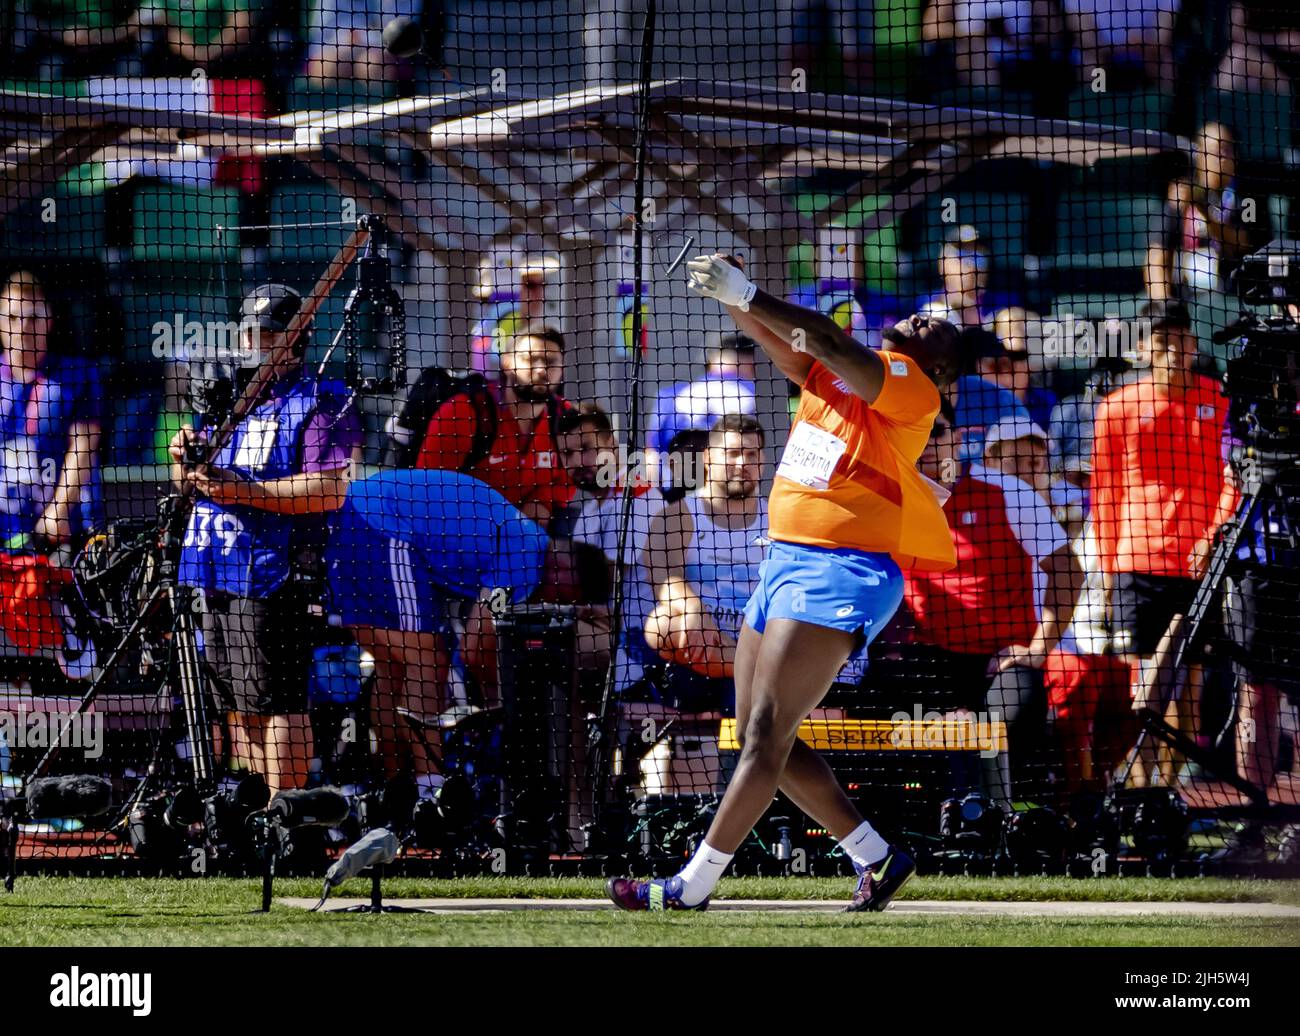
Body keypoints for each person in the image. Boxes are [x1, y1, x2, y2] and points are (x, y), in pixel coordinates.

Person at [609, 254, 961, 913]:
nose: (922, 317)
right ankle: (877, 857)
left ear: (942, 366)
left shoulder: (912, 387)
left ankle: (690, 887)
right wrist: (734, 303)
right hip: (786, 564)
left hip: (841, 572)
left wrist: (750, 289)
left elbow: (824, 337)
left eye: (935, 326)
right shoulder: (839, 379)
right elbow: (799, 350)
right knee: (756, 732)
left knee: (767, 732)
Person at [171, 284, 362, 797]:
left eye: (267, 334)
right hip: (213, 565)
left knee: (278, 701)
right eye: (249, 333)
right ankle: (252, 815)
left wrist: (244, 492)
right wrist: (182, 456)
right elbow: (193, 482)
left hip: (273, 569)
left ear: (295, 340)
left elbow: (329, 488)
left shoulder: (320, 400)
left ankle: (287, 815)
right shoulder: (226, 398)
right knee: (236, 702)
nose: (253, 344)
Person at [325, 467, 553, 790]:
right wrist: (500, 700)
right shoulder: (528, 556)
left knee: (391, 667)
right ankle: (430, 790)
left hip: (352, 523)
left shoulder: (520, 533)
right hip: (381, 527)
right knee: (426, 661)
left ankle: (396, 789)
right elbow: (475, 645)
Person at [908, 414, 1083, 806]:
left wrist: (1038, 650)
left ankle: (1012, 820)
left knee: (1008, 720)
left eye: (937, 431)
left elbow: (1068, 571)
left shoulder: (1008, 492)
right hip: (926, 660)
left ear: (956, 438)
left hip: (1000, 659)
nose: (928, 442)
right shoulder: (893, 496)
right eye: (917, 431)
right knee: (900, 721)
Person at [1089, 301, 1228, 787]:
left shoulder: (1219, 399)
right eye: (1162, 341)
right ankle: (1137, 787)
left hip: (1202, 566)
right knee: (1141, 680)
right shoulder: (1116, 406)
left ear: (1194, 344)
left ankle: (1166, 793)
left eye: (1182, 340)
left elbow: (1233, 476)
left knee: (1189, 684)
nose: (1173, 350)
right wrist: (1108, 570)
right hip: (1136, 561)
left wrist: (1215, 538)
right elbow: (1104, 493)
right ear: (1143, 348)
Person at [0, 270, 104, 678]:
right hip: (6, 534)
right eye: (13, 318)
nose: (24, 329)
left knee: (76, 666)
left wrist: (59, 510)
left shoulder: (77, 375)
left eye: (34, 318)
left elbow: (84, 445)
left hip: (61, 537)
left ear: (50, 322)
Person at [640, 413, 767, 716]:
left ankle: (747, 664)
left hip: (760, 641)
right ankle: (745, 666)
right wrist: (696, 610)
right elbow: (662, 577)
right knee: (661, 625)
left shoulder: (778, 520)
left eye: (751, 454)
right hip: (697, 647)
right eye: (733, 453)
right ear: (708, 458)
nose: (742, 464)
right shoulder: (679, 515)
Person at [414, 326, 575, 528]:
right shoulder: (464, 412)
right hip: (464, 530)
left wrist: (543, 501)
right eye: (530, 359)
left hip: (530, 531)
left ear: (562, 369)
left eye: (551, 362)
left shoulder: (565, 415)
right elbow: (427, 490)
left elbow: (573, 474)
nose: (541, 369)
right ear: (507, 362)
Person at [1145, 123, 1266, 301]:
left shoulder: (1249, 198)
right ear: (1199, 155)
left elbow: (1241, 244)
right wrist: (1163, 307)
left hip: (1234, 299)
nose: (1222, 156)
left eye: (1227, 149)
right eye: (1215, 150)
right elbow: (1156, 256)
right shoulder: (1182, 194)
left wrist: (1201, 207)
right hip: (1186, 301)